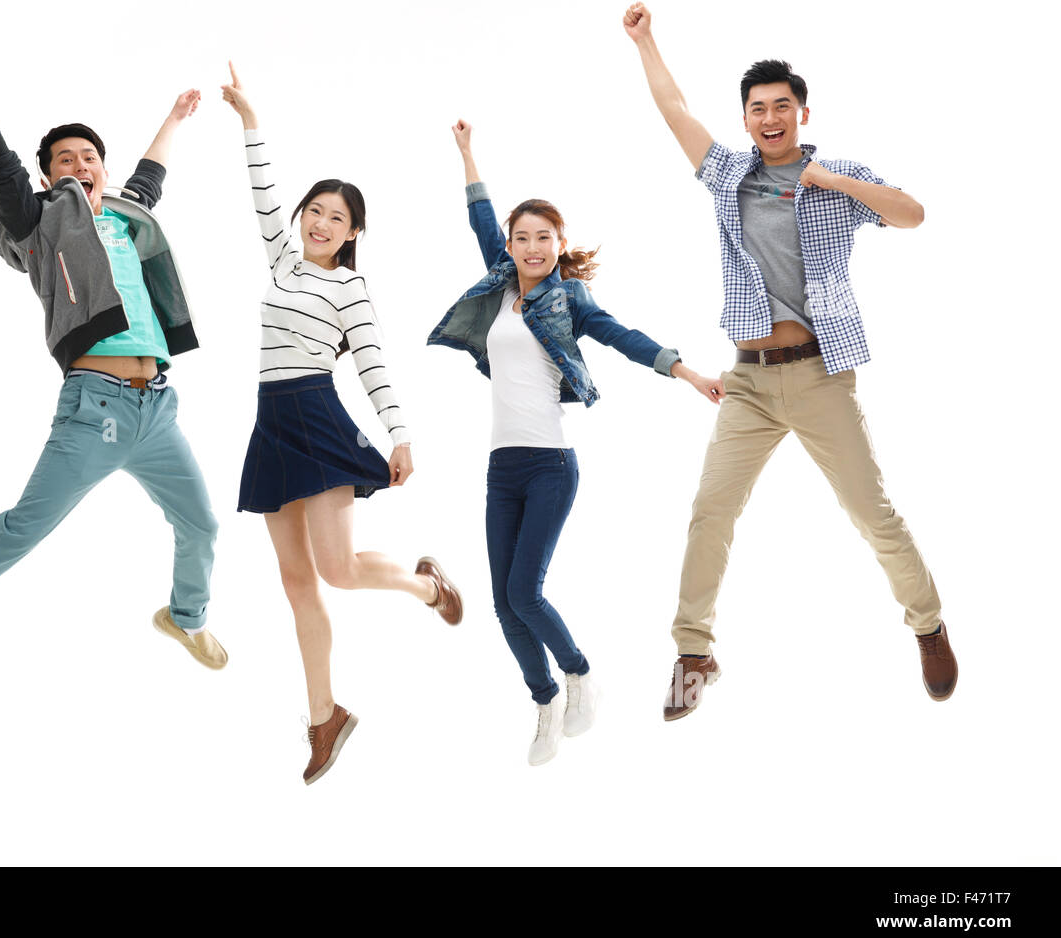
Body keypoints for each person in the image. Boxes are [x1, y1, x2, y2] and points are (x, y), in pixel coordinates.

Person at [0, 18, 225, 708]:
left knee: (202, 524)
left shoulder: (125, 215)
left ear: (104, 167)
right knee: (20, 531)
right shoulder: (39, 223)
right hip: (95, 408)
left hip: (157, 407)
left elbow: (150, 176)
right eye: (65, 160)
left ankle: (185, 619)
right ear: (48, 175)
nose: (80, 165)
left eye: (89, 157)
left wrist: (175, 117)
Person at [621, 3, 956, 720]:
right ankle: (693, 652)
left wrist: (836, 183)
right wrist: (647, 40)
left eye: (781, 106)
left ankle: (927, 623)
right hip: (746, 380)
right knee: (710, 510)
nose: (769, 118)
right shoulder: (727, 176)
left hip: (819, 374)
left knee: (873, 513)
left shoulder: (838, 177)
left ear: (803, 112)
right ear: (745, 120)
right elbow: (672, 106)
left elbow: (911, 214)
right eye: (756, 109)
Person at [431, 121, 724, 765]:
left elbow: (626, 336)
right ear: (510, 245)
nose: (531, 247)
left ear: (559, 245)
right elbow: (481, 218)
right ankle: (544, 702)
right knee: (503, 605)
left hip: (549, 468)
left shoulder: (571, 302)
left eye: (543, 238)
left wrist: (688, 371)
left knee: (525, 593)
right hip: (500, 468)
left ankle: (580, 674)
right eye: (521, 237)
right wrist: (468, 153)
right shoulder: (500, 285)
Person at [221, 64, 463, 785]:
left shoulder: (348, 286)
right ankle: (324, 716)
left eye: (336, 217)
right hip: (270, 423)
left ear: (354, 232)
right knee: (297, 584)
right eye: (314, 211)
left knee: (337, 570)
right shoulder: (285, 266)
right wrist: (249, 118)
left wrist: (400, 433)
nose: (319, 222)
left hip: (319, 419)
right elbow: (262, 195)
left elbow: (374, 366)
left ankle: (427, 585)